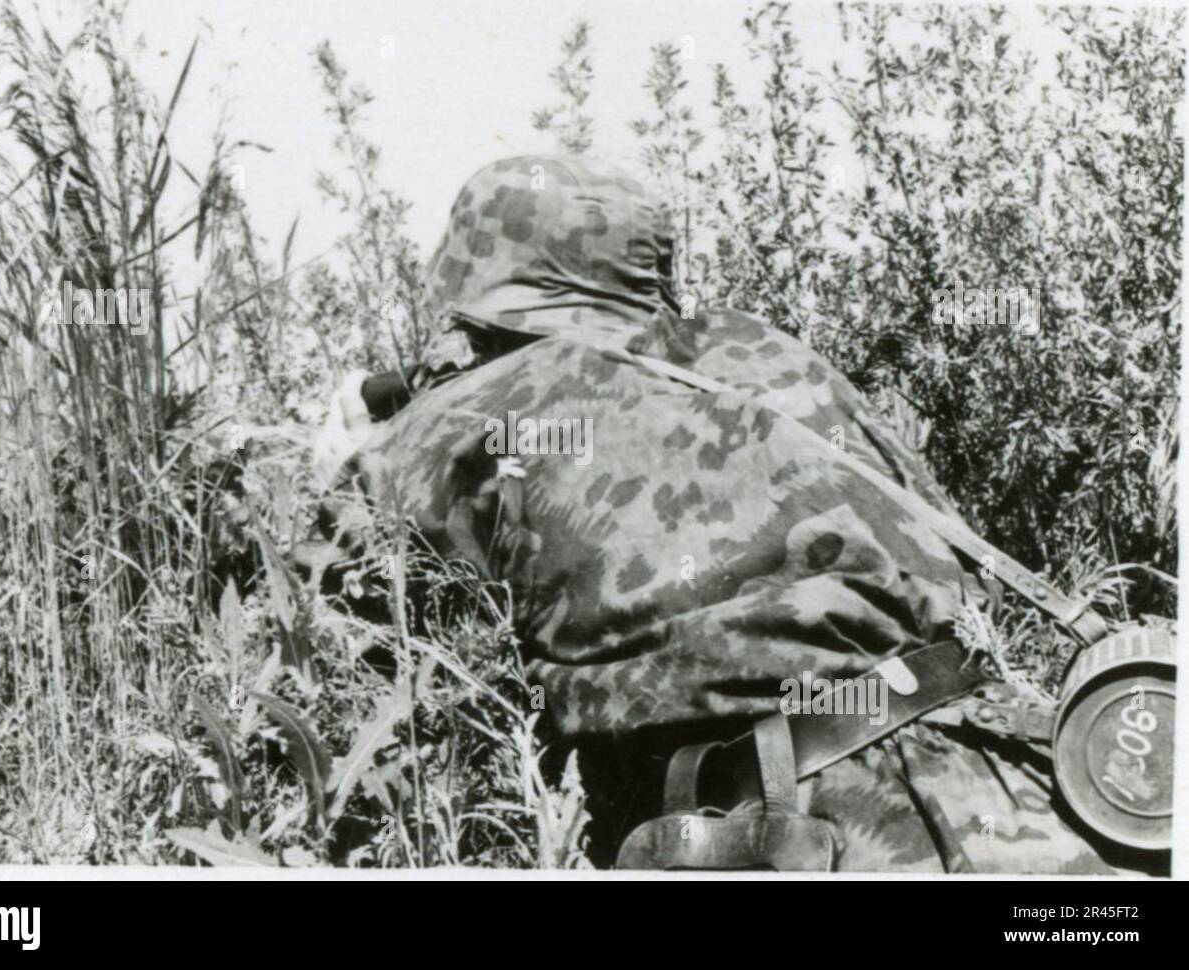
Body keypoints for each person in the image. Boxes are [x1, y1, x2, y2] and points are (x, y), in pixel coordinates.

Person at [312, 154, 1149, 873]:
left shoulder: (475, 413)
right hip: (1022, 785)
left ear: (474, 296)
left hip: (797, 827)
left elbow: (324, 596)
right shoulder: (764, 355)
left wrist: (343, 456)